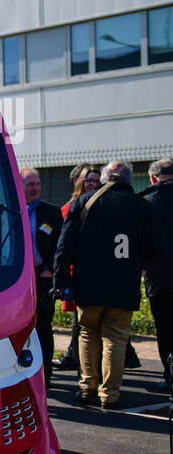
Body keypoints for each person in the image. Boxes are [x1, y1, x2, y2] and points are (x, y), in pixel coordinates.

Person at [53, 161, 162, 409]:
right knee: (116, 338)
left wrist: (62, 281)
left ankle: (86, 386)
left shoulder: (84, 203)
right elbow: (156, 248)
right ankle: (109, 394)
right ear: (129, 179)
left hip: (88, 284)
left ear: (105, 178)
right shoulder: (140, 205)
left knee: (87, 333)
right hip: (123, 284)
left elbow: (64, 246)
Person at [53, 165, 101, 371]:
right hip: (76, 270)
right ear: (80, 182)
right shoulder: (70, 207)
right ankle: (75, 354)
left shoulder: (103, 204)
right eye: (89, 180)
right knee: (79, 319)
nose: (94, 184)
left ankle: (77, 356)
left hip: (95, 270)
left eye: (97, 180)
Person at [21, 168, 63, 387]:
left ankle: (46, 376)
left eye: (37, 184)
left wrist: (49, 268)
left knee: (44, 327)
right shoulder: (11, 211)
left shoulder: (51, 212)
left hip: (42, 276)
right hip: (18, 279)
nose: (35, 188)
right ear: (20, 186)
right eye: (30, 185)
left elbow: (60, 245)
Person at [140, 158, 173, 388]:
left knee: (165, 328)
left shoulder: (146, 203)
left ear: (153, 178)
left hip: (158, 277)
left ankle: (169, 376)